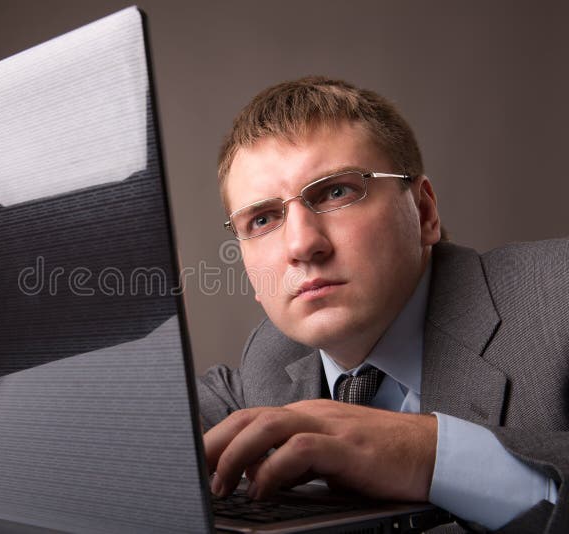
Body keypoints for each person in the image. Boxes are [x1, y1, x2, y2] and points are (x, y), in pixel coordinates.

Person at [196, 76, 568, 533]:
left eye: (335, 192)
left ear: (425, 213)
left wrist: (433, 457)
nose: (301, 244)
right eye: (264, 218)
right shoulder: (272, 358)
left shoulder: (557, 298)